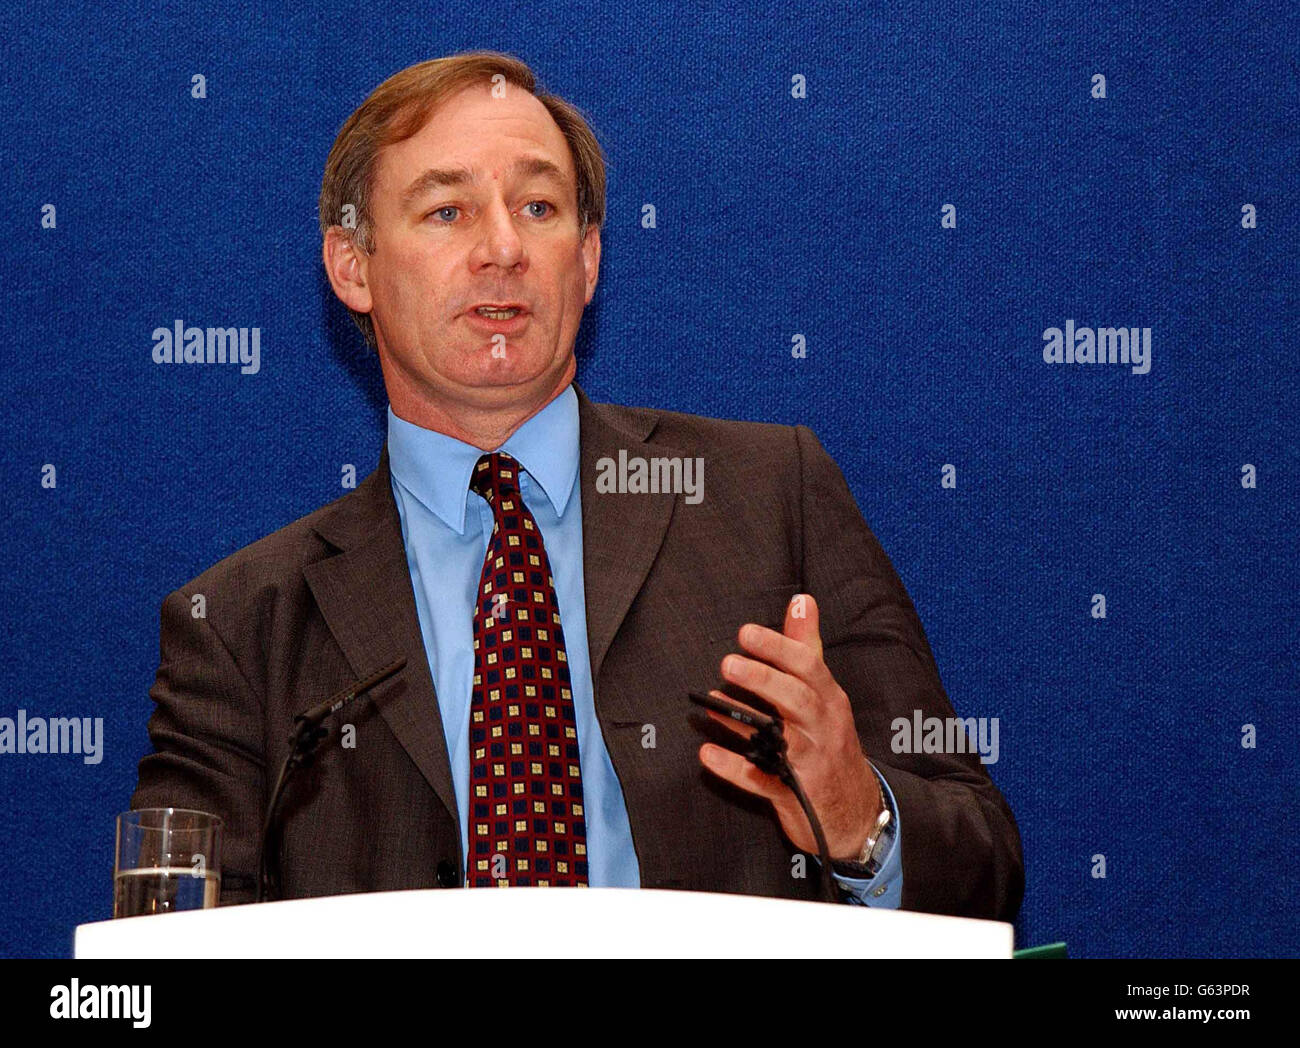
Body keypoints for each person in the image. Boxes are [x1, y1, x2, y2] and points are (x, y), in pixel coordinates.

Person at [131, 50, 1024, 919]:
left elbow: (985, 869)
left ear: (589, 260)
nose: (504, 247)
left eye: (538, 205)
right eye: (447, 211)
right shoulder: (241, 628)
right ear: (352, 267)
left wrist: (859, 819)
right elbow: (174, 941)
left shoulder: (768, 496)